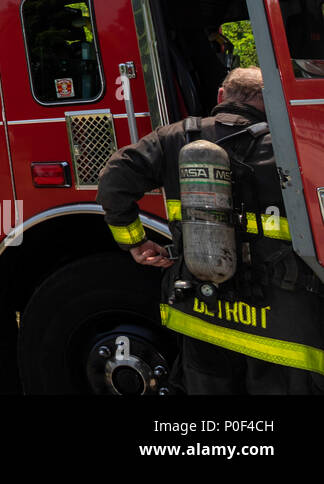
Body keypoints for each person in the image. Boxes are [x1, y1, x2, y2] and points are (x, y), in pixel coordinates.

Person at [97, 67, 324, 393]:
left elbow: (113, 181)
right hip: (280, 326)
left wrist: (135, 242)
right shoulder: (292, 143)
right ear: (272, 98)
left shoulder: (174, 137)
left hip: (203, 310)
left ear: (221, 96)